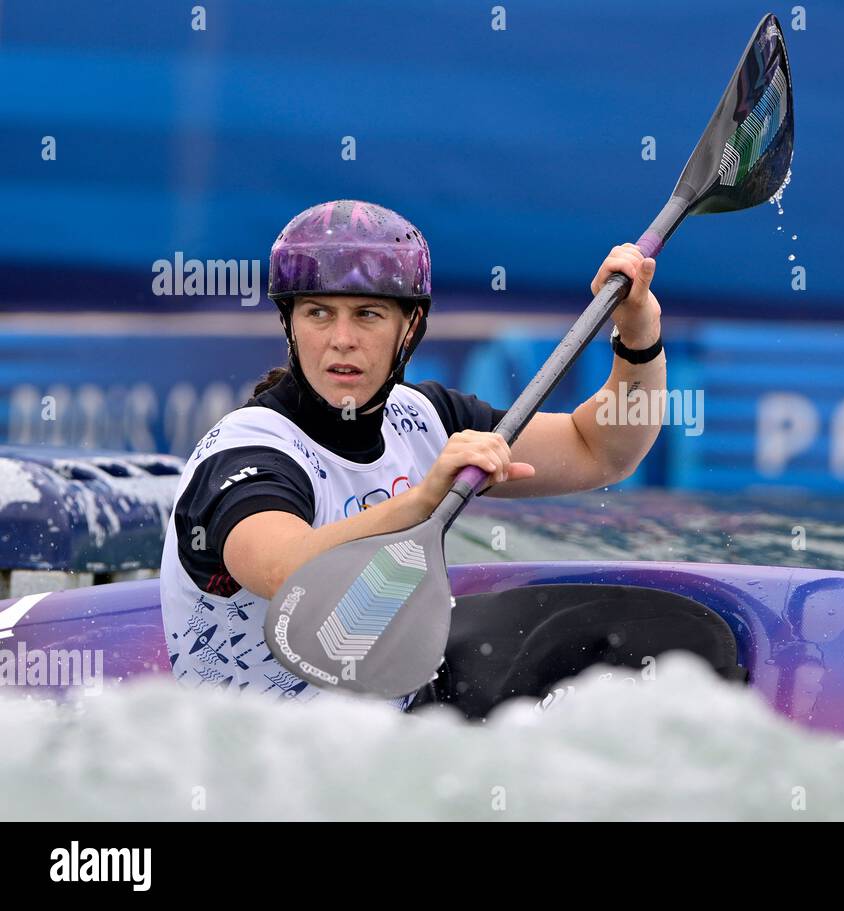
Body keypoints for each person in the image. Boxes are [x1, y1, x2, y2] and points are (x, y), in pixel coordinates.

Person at [158, 199, 665, 706]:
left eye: (368, 315)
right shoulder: (249, 453)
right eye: (318, 313)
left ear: (411, 326)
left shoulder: (422, 417)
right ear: (290, 324)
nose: (341, 339)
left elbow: (600, 450)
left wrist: (638, 334)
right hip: (271, 756)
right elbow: (285, 571)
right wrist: (422, 500)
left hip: (397, 720)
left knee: (647, 629)